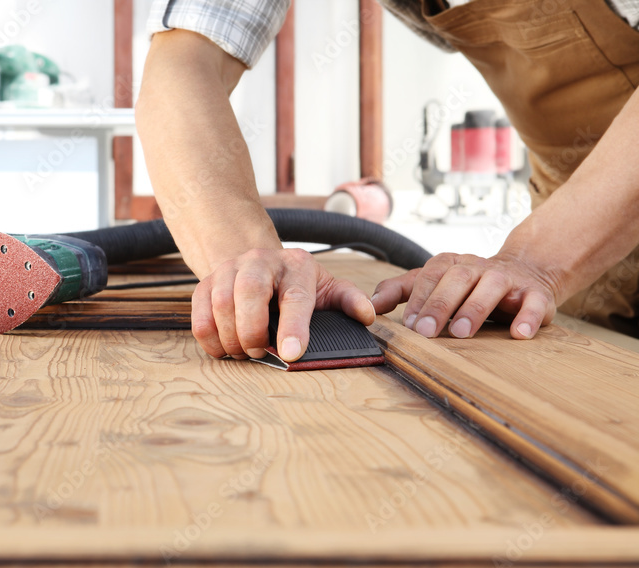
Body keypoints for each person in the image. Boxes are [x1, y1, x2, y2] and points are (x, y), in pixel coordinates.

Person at [135, 0, 639, 364]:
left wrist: (537, 261)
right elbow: (182, 63)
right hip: (580, 201)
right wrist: (246, 263)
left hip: (576, 229)